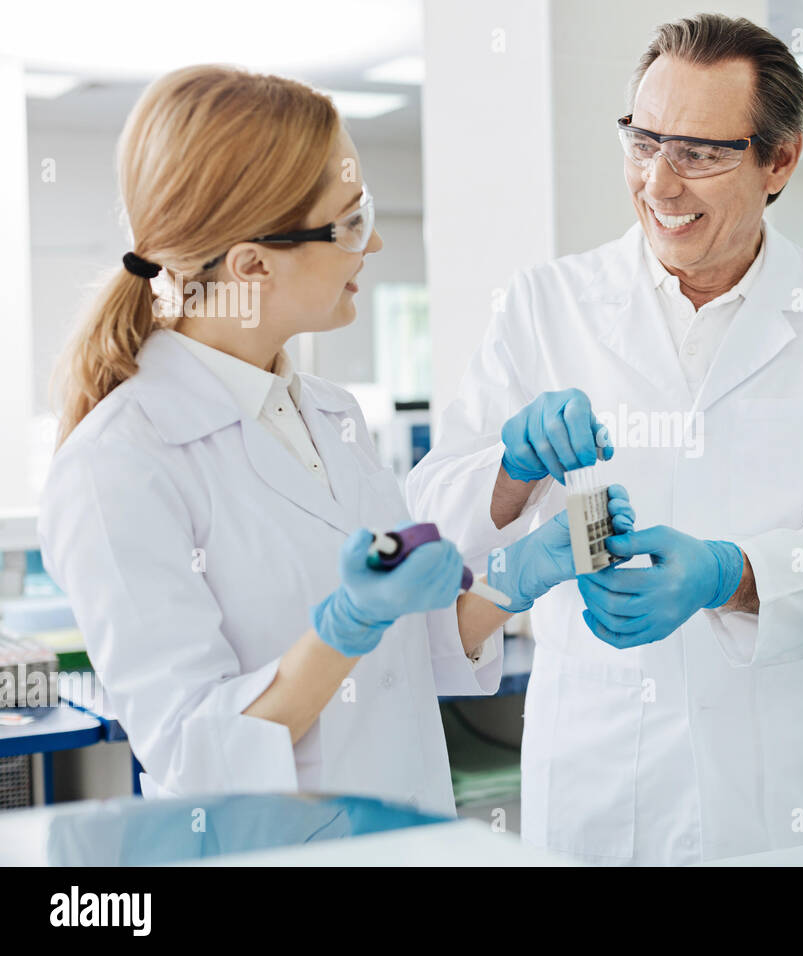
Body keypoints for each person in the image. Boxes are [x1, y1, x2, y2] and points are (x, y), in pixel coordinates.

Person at [38, 66, 632, 813]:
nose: (374, 241)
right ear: (252, 266)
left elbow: (407, 652)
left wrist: (521, 574)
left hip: (410, 833)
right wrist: (346, 627)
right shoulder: (117, 465)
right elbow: (196, 753)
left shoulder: (327, 413)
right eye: (350, 222)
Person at [406, 14, 803, 864]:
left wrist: (732, 572)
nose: (660, 185)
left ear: (778, 160)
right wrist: (509, 466)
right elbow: (434, 513)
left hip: (775, 776)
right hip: (597, 766)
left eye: (700, 154)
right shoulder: (545, 305)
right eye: (643, 142)